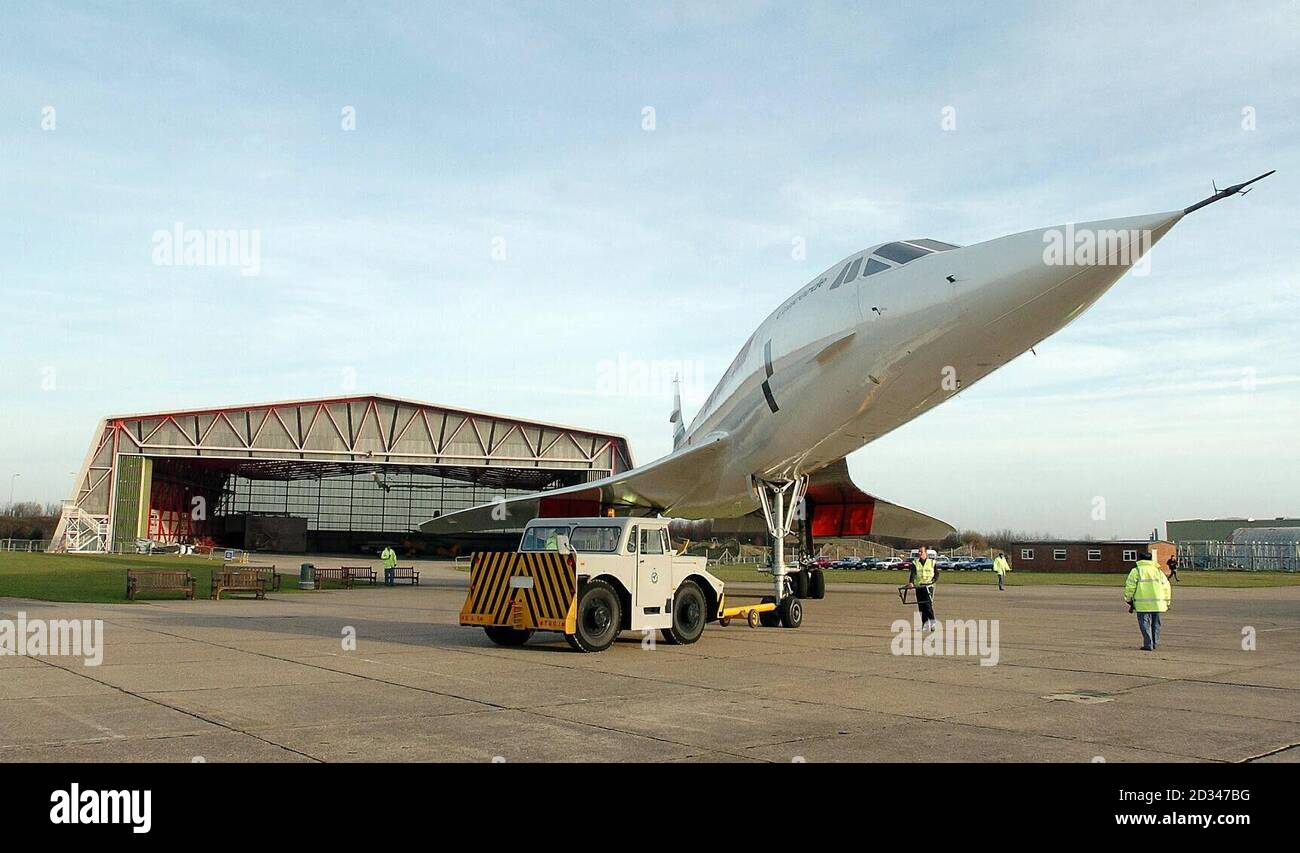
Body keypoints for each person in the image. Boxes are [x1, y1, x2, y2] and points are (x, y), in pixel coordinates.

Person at [1124, 550, 1172, 651]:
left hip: (1142, 603)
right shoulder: (1158, 571)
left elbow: (1130, 587)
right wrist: (1167, 601)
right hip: (1158, 602)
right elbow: (1166, 586)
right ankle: (1155, 643)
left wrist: (1128, 599)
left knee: (1144, 623)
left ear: (1140, 559)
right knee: (1156, 623)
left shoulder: (1136, 571)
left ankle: (1148, 643)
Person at [907, 545, 939, 630]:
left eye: (921, 551)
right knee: (921, 606)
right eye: (919, 551)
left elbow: (937, 574)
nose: (919, 553)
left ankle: (932, 623)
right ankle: (925, 624)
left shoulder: (932, 562)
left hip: (928, 586)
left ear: (926, 553)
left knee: (928, 605)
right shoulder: (915, 563)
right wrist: (911, 582)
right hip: (919, 586)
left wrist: (934, 580)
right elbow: (913, 574)